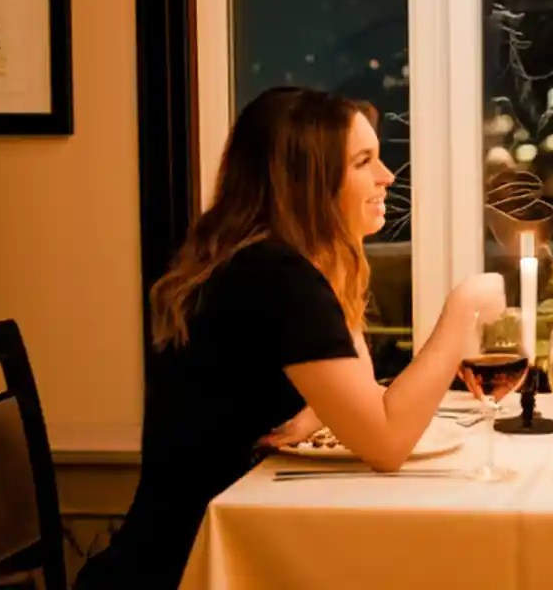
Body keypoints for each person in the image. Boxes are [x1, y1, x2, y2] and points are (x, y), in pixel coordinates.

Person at [75, 88, 505, 589]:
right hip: (187, 569)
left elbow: (355, 391)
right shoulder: (277, 275)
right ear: (309, 182)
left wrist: (321, 405)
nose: (387, 176)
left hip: (182, 550)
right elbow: (387, 442)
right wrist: (462, 310)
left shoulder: (269, 263)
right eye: (363, 162)